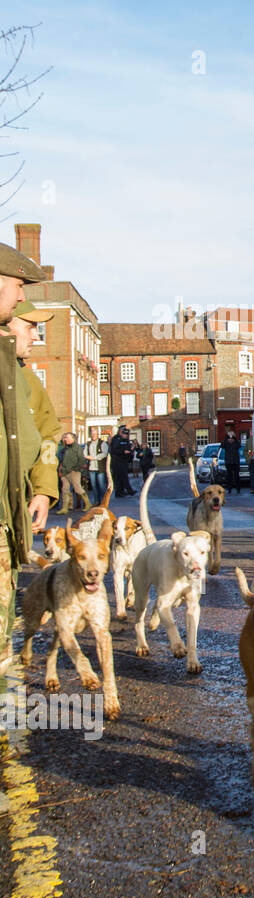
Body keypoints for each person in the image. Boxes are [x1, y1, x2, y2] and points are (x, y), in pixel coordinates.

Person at [0, 247, 61, 670]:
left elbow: (47, 436)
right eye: (31, 326)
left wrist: (42, 488)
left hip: (10, 515)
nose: (36, 336)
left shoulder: (24, 378)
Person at [57, 431, 89, 513]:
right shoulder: (65, 448)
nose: (65, 439)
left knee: (78, 488)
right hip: (65, 472)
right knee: (65, 490)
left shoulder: (77, 447)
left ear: (72, 438)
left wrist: (75, 469)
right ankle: (65, 508)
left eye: (67, 437)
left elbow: (81, 460)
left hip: (73, 472)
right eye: (64, 438)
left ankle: (88, 504)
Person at [109, 425, 135, 496]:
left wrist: (131, 450)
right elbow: (114, 450)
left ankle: (122, 491)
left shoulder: (125, 440)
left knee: (122, 477)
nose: (125, 434)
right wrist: (123, 451)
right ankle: (126, 491)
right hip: (117, 461)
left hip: (124, 460)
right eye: (123, 431)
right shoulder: (116, 439)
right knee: (120, 477)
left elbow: (128, 449)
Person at [85, 430, 110, 506]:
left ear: (97, 435)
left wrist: (95, 458)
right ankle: (96, 501)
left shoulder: (102, 443)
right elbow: (85, 453)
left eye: (95, 434)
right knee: (94, 485)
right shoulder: (88, 444)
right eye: (92, 434)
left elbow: (105, 453)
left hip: (100, 468)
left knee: (101, 485)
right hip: (91, 468)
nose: (93, 435)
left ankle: (104, 502)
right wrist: (87, 457)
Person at [221, 429, 241, 493]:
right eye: (229, 435)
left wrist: (234, 438)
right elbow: (222, 445)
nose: (230, 437)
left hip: (235, 461)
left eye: (231, 435)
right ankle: (229, 489)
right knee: (229, 476)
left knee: (236, 476)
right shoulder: (226, 443)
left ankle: (238, 488)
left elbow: (239, 445)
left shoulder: (236, 442)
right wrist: (226, 438)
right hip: (228, 461)